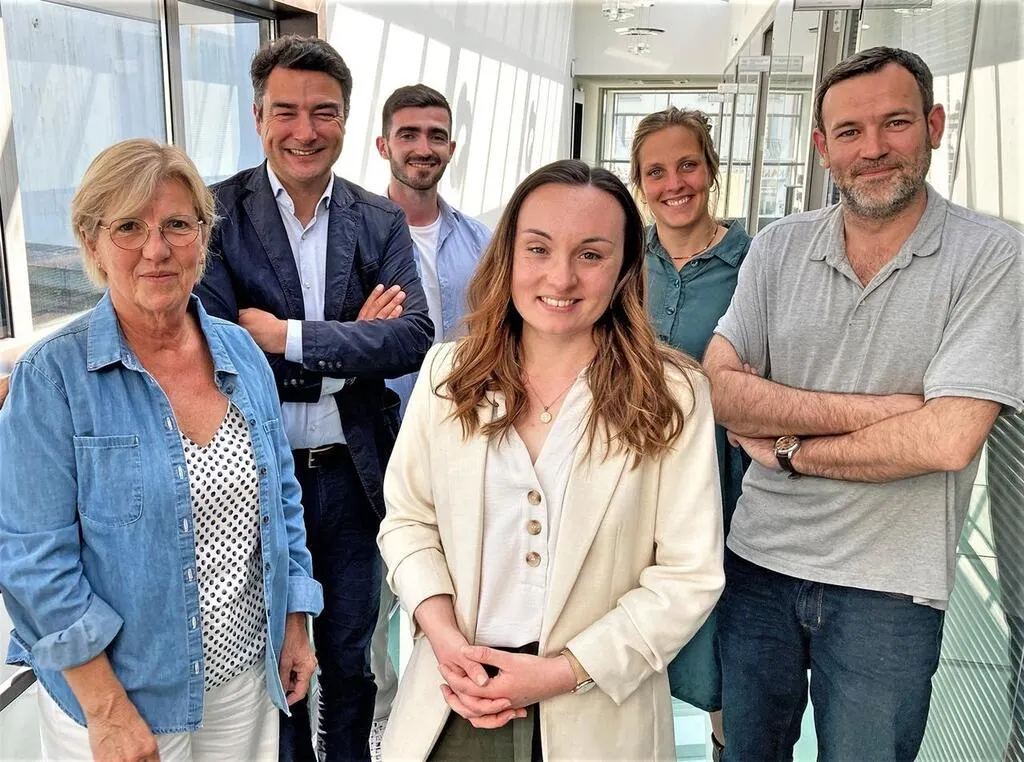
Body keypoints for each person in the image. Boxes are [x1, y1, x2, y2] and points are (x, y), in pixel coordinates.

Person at [703, 46, 1024, 761]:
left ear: (935, 125)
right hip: (759, 565)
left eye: (896, 123)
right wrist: (885, 411)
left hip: (892, 589)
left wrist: (786, 447)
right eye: (849, 131)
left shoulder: (994, 256)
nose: (873, 148)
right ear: (822, 147)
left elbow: (945, 440)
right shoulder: (780, 248)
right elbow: (721, 389)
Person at [377, 159, 725, 761]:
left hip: (597, 704)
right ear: (508, 254)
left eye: (591, 254)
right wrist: (445, 637)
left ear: (623, 270)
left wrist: (560, 672)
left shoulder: (673, 395)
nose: (560, 278)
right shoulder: (447, 375)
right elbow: (409, 521)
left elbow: (688, 576)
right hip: (456, 697)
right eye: (538, 249)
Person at [0, 138, 323, 760]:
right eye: (127, 226)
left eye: (177, 223)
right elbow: (33, 561)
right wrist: (106, 708)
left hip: (242, 682)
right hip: (125, 696)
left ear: (204, 236)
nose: (156, 248)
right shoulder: (53, 378)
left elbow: (281, 496)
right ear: (91, 242)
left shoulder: (241, 353)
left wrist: (293, 619)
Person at [193, 36, 433, 762]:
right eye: (287, 111)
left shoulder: (377, 219)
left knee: (351, 654)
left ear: (346, 121)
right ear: (259, 115)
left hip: (353, 473)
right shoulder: (212, 214)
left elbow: (412, 337)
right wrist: (345, 346)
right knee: (276, 657)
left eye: (323, 112)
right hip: (254, 478)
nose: (305, 130)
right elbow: (215, 354)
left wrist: (285, 336)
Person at [368, 82, 491, 758]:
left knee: (451, 585)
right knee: (370, 600)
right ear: (384, 144)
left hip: (463, 447)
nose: (423, 147)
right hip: (376, 438)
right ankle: (383, 716)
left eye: (436, 135)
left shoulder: (481, 241)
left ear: (450, 146)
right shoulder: (355, 237)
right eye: (409, 135)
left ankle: (436, 709)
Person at [631, 106, 751, 761]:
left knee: (725, 655)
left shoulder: (756, 262)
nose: (674, 182)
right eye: (656, 171)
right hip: (631, 483)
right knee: (631, 640)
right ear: (639, 182)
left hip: (725, 485)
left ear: (709, 170)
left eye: (687, 165)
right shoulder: (622, 262)